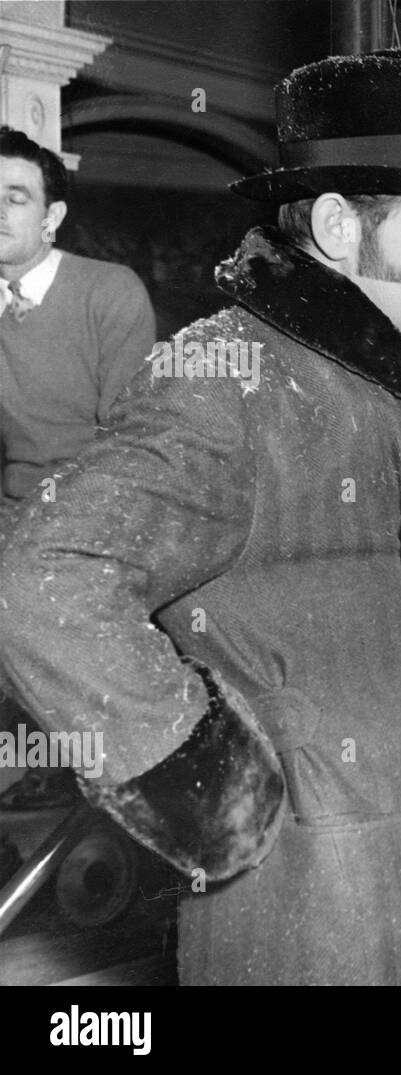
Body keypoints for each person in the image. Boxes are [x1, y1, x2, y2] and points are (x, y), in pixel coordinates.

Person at [0, 50, 401, 985]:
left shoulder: (394, 378)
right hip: (318, 917)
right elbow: (42, 584)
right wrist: (217, 797)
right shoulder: (227, 383)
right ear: (336, 225)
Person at [0, 125, 156, 810]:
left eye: (14, 197)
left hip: (98, 523)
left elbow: (130, 447)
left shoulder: (107, 292)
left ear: (52, 216)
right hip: (15, 521)